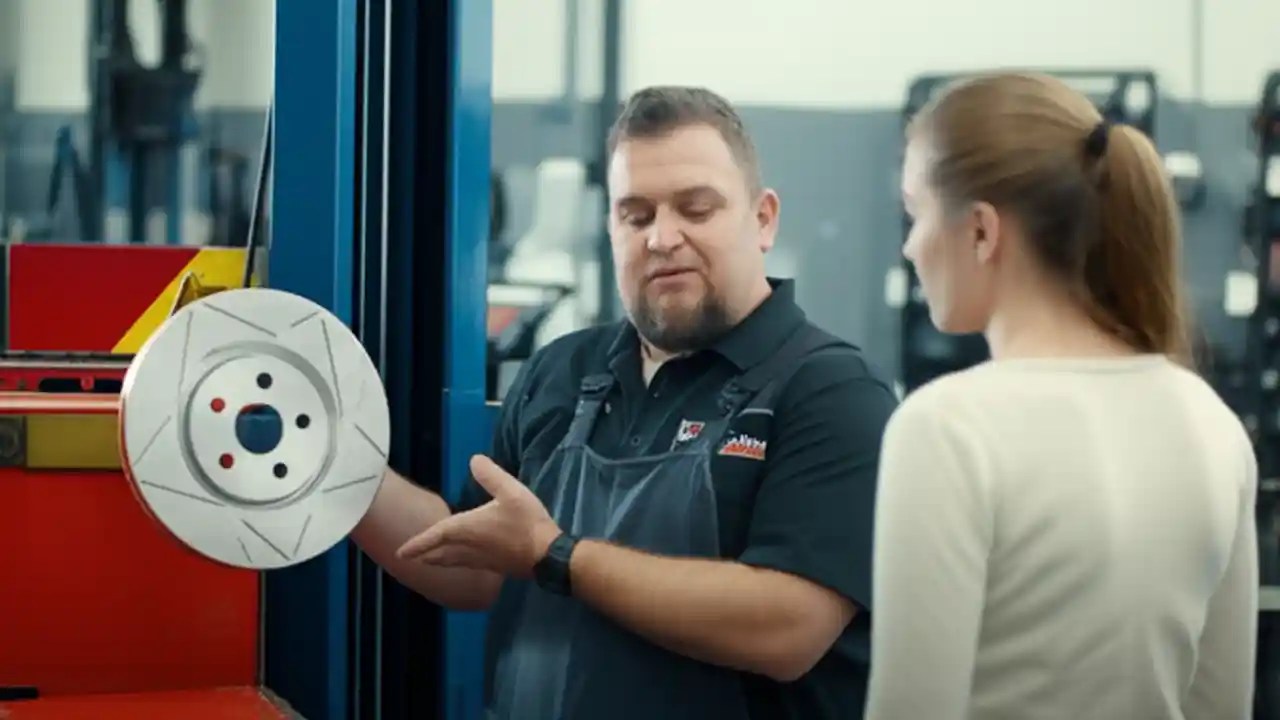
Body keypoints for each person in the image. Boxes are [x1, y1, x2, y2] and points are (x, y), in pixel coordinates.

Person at [354, 86, 899, 720]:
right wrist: (334, 471)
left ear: (763, 219)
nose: (662, 238)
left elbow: (786, 630)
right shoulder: (561, 369)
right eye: (635, 215)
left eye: (696, 209)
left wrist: (554, 555)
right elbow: (475, 567)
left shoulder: (831, 392)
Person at [864, 72, 1259, 719]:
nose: (910, 245)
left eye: (916, 214)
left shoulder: (945, 427)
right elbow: (1223, 707)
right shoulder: (1211, 423)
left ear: (982, 232)